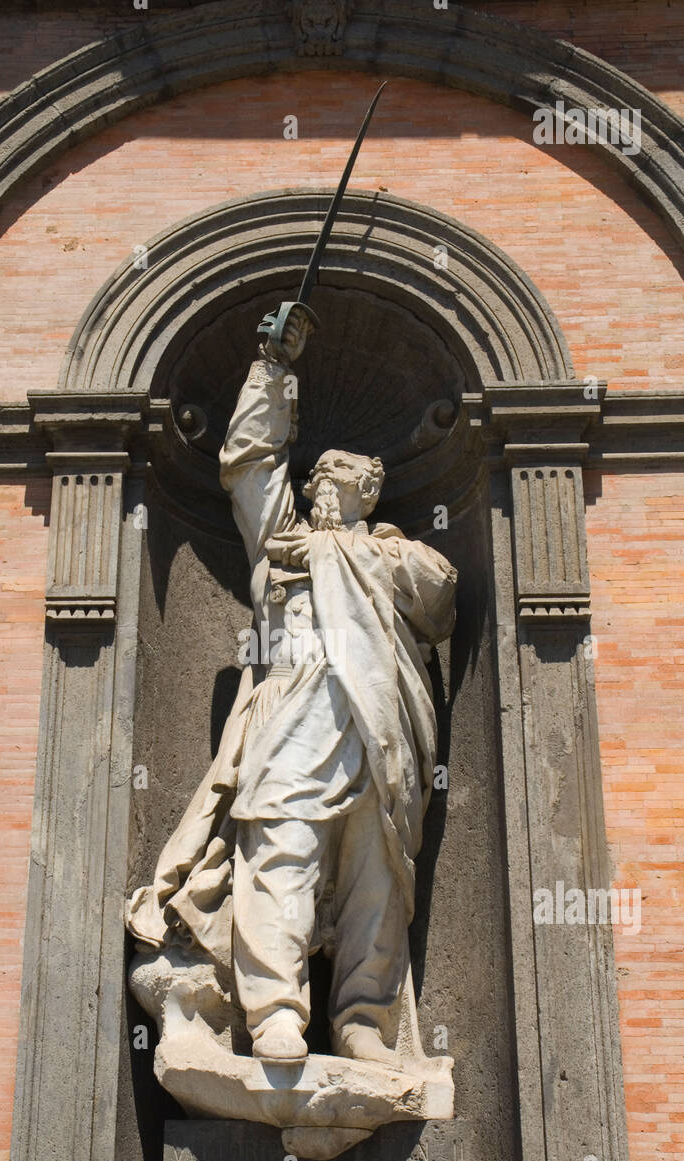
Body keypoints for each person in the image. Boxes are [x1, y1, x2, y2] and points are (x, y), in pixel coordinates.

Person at [127, 305, 457, 1066]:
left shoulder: (397, 559)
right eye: (322, 477)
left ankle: (362, 1025)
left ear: (372, 495)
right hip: (294, 714)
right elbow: (248, 463)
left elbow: (440, 600)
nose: (328, 487)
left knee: (378, 872)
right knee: (280, 854)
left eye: (346, 479)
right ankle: (273, 1011)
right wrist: (273, 372)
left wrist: (369, 556)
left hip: (382, 722)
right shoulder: (283, 546)